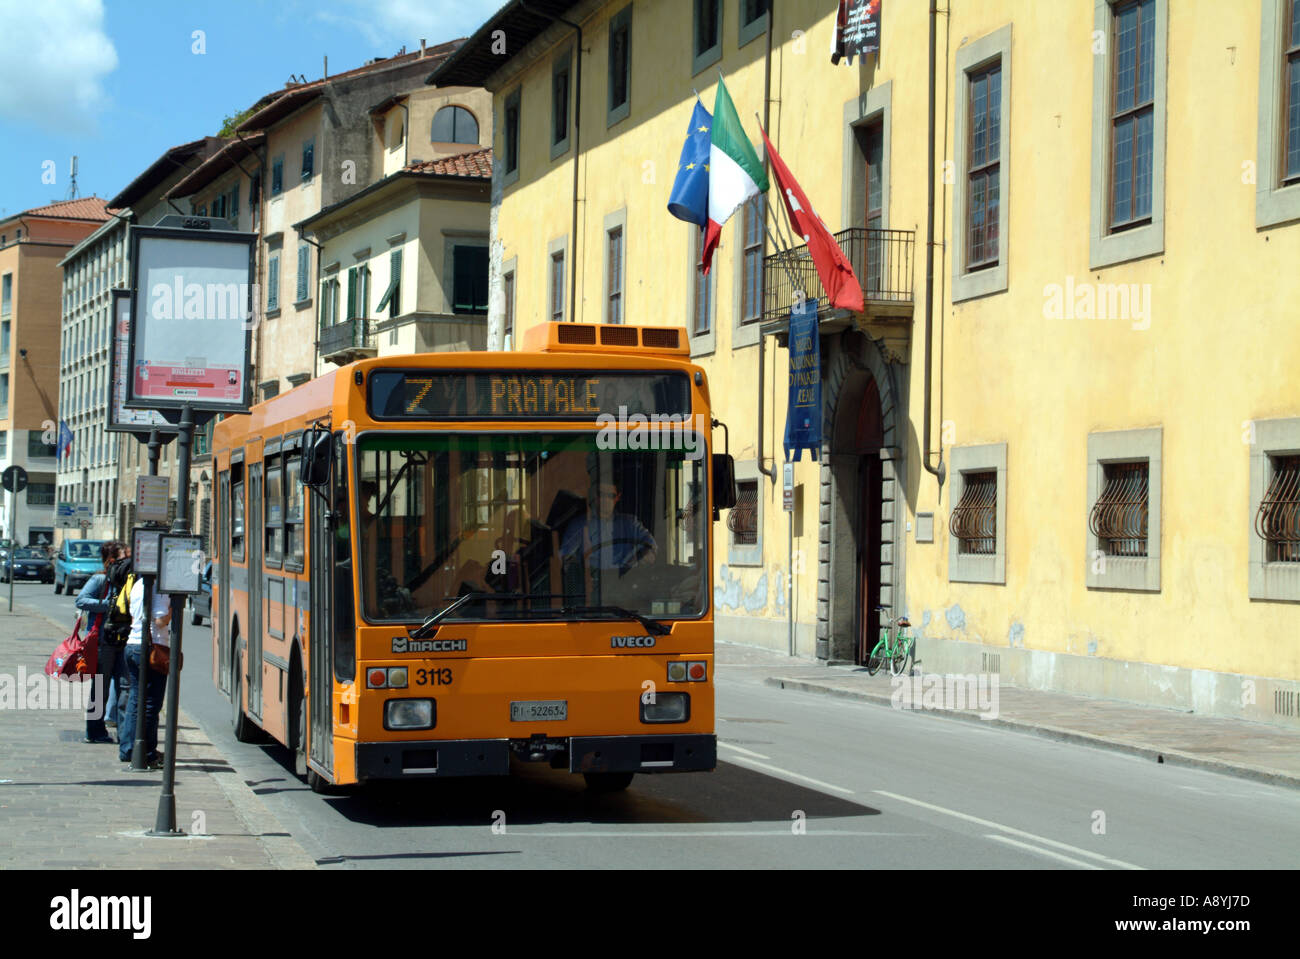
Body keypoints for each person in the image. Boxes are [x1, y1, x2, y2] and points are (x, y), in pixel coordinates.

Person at [117, 573, 171, 768]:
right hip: (151, 647)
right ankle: (146, 753)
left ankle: (128, 749)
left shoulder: (138, 583)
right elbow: (159, 621)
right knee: (150, 704)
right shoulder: (159, 586)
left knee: (135, 699)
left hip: (132, 644)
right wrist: (172, 610)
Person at [78, 541, 125, 744]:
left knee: (125, 688)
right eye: (124, 556)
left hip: (122, 640)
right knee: (101, 688)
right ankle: (95, 731)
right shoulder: (100, 580)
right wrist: (109, 605)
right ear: (112, 559)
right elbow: (81, 600)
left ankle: (124, 733)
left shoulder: (125, 580)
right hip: (102, 643)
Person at [560, 479, 657, 573]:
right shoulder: (580, 525)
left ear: (617, 497)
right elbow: (565, 557)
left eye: (610, 495)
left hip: (629, 582)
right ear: (595, 496)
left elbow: (650, 545)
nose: (605, 500)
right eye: (601, 494)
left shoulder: (630, 523)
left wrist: (645, 554)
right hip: (595, 584)